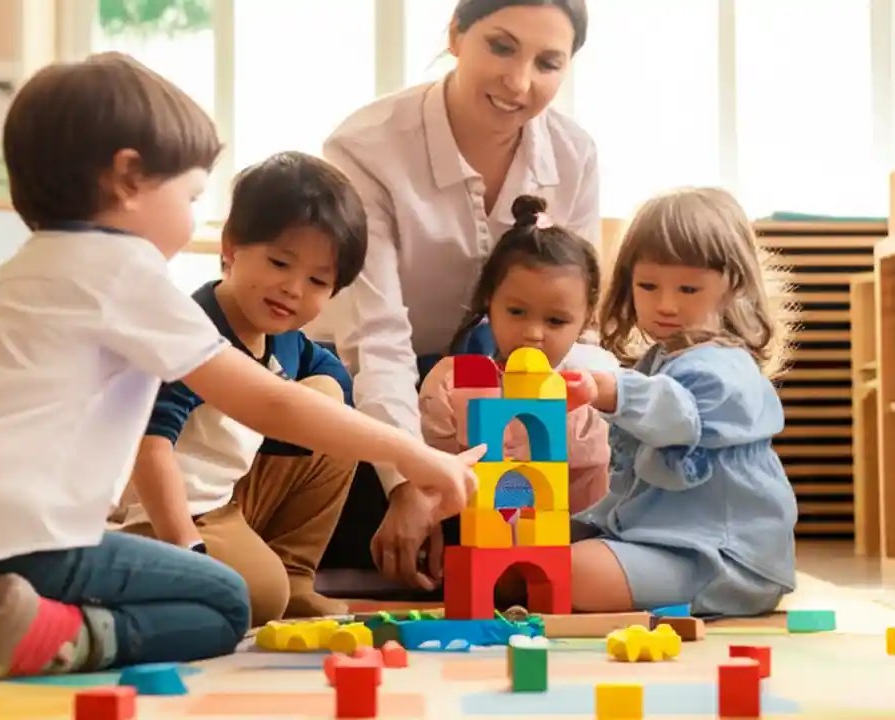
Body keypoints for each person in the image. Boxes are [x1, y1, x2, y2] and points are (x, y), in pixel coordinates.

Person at [0, 52, 481, 681]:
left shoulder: (0, 283)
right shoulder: (122, 272)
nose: (196, 215)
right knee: (223, 603)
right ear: (129, 179)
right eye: (192, 194)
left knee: (187, 581)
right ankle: (52, 633)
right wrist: (420, 457)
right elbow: (275, 403)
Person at [316, 0, 596, 589]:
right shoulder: (367, 146)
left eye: (548, 63)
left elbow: (578, 326)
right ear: (456, 35)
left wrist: (528, 428)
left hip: (501, 395)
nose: (519, 83)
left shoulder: (574, 154)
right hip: (377, 391)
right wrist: (414, 480)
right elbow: (376, 339)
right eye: (501, 46)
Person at [115, 152, 367, 622]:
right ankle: (129, 563)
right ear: (230, 247)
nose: (292, 288)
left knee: (338, 430)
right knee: (258, 596)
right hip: (161, 510)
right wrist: (187, 552)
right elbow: (149, 450)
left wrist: (328, 391)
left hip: (226, 499)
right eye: (278, 262)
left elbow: (326, 367)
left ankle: (296, 575)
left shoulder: (283, 333)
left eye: (317, 280)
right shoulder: (193, 334)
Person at [567, 186, 798, 616]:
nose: (665, 304)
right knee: (549, 554)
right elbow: (631, 484)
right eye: (648, 286)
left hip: (724, 559)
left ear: (733, 285)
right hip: (668, 541)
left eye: (688, 289)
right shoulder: (660, 360)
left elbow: (679, 414)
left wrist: (607, 389)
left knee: (569, 572)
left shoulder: (723, 367)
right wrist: (585, 524)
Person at [419, 195, 615, 555]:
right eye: (517, 312)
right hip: (461, 550)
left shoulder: (582, 402)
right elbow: (429, 482)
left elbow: (590, 513)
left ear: (585, 321)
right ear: (488, 303)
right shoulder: (454, 383)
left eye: (555, 320)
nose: (534, 333)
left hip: (550, 558)